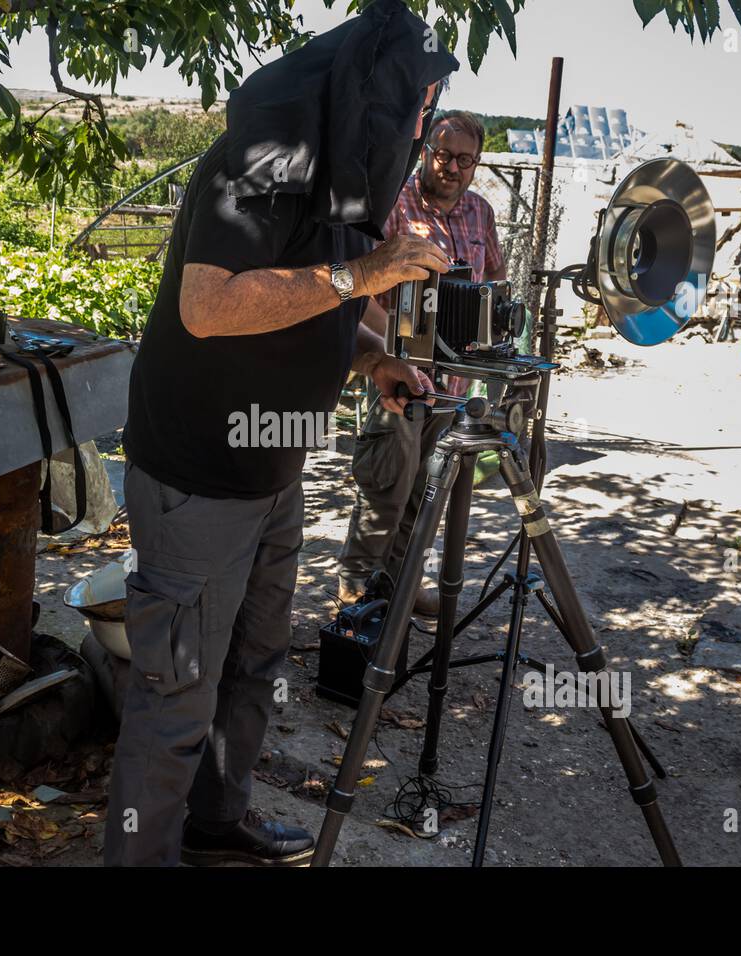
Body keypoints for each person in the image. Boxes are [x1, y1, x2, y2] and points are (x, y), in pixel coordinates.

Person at [104, 0, 459, 867]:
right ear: (372, 97)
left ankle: (217, 823)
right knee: (176, 689)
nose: (420, 124)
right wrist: (365, 273)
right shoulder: (254, 165)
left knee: (254, 664)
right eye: (414, 103)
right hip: (197, 475)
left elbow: (315, 308)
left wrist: (374, 357)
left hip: (274, 465)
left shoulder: (348, 173)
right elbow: (211, 305)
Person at [337, 110, 507, 616]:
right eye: (443, 154)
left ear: (476, 164)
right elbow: (355, 285)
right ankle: (354, 595)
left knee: (426, 492)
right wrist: (388, 345)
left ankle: (399, 588)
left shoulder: (481, 213)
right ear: (427, 151)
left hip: (452, 385)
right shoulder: (393, 203)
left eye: (464, 159)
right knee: (387, 485)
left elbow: (492, 280)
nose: (451, 167)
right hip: (400, 375)